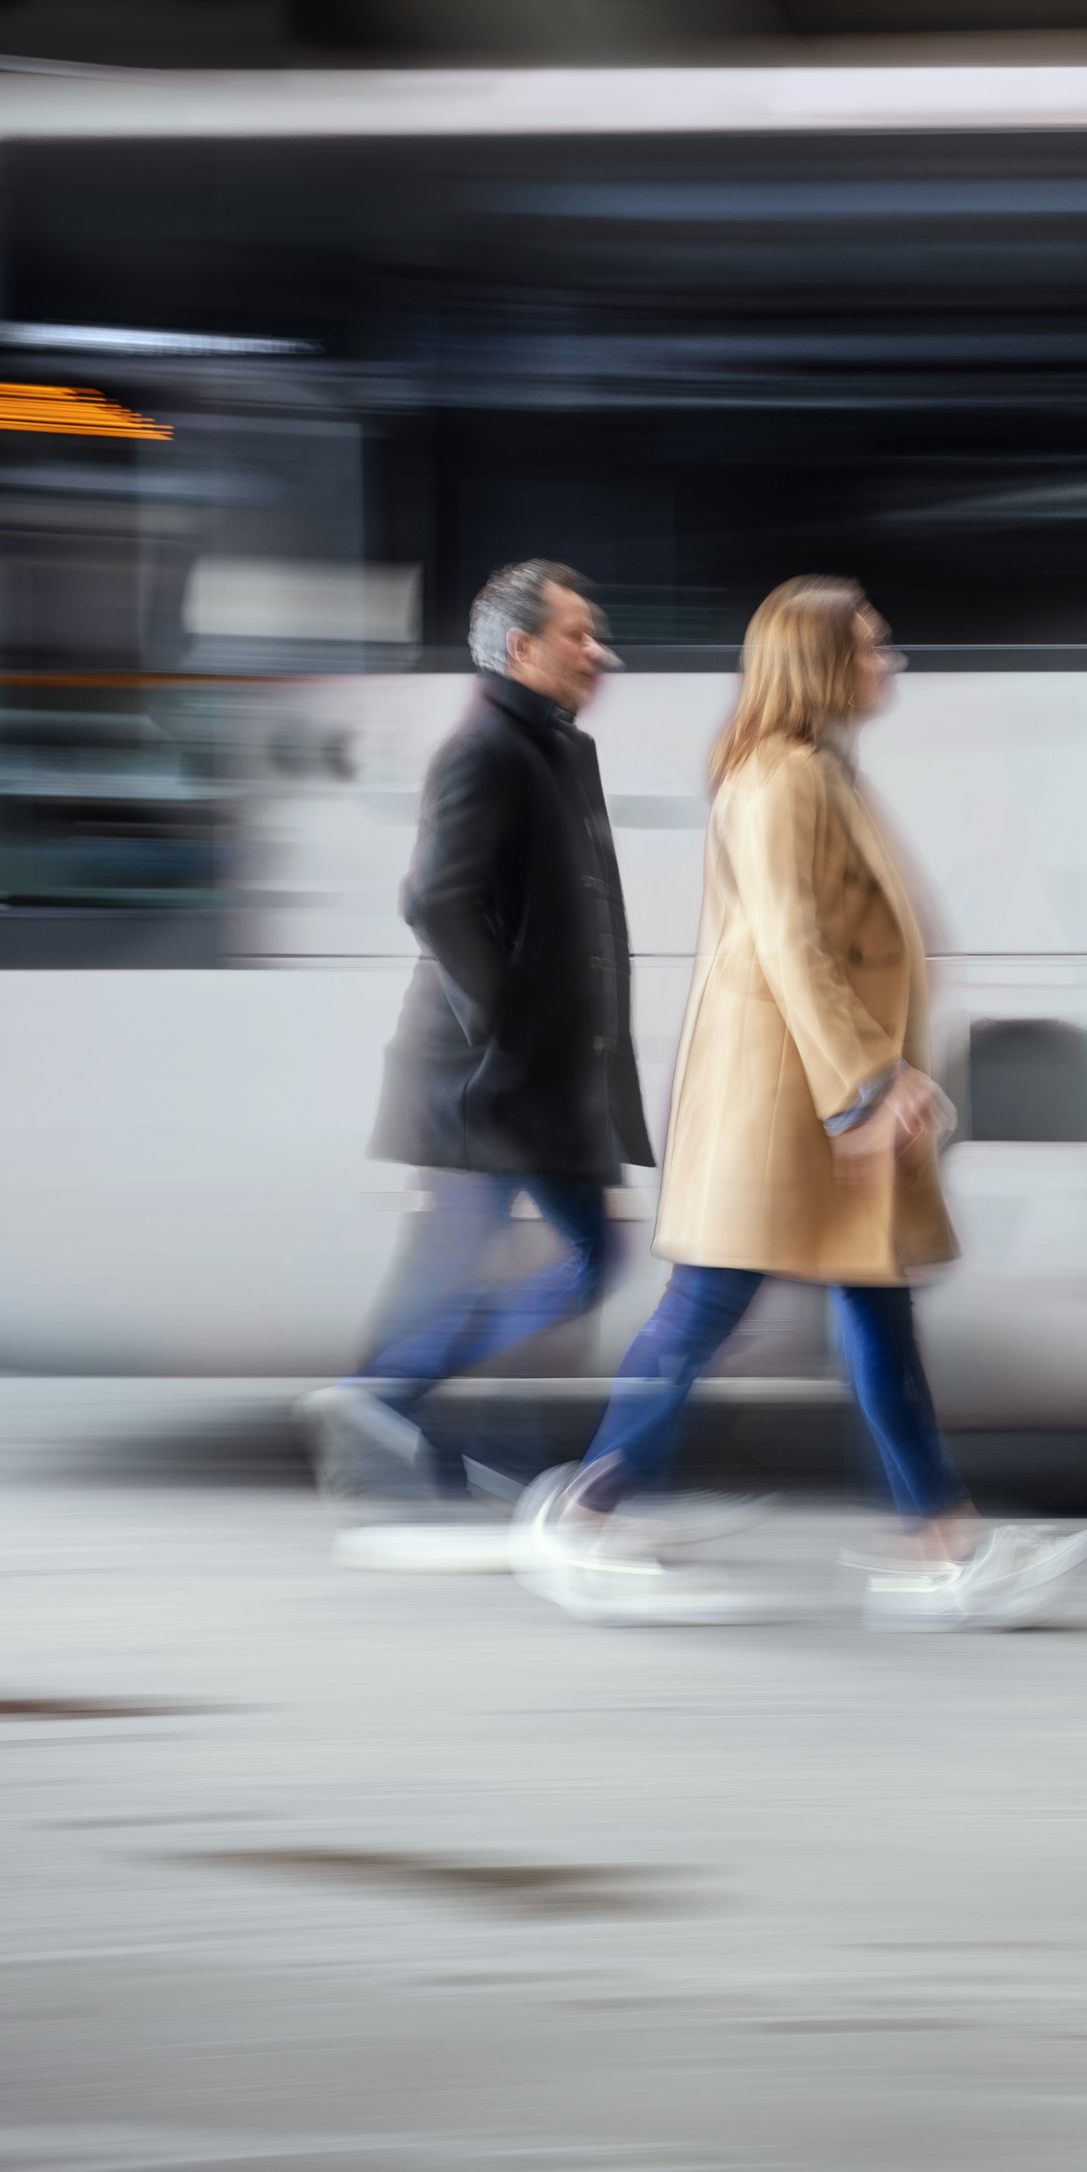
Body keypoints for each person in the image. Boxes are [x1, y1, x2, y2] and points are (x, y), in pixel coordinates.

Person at [516, 575, 1087, 1631]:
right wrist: (865, 1088)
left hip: (812, 1102)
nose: (891, 661)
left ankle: (933, 1543)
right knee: (711, 1310)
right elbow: (793, 945)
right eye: (873, 645)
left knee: (861, 1308)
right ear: (821, 661)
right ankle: (588, 1512)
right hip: (786, 1104)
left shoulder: (816, 769)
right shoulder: (780, 778)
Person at [300, 561, 665, 1508]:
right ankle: (394, 1404)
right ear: (522, 648)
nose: (599, 651)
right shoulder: (486, 749)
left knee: (527, 1259)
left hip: (537, 1069)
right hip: (498, 1075)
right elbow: (434, 899)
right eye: (578, 634)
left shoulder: (552, 744)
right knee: (583, 1258)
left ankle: (456, 1437)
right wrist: (506, 1019)